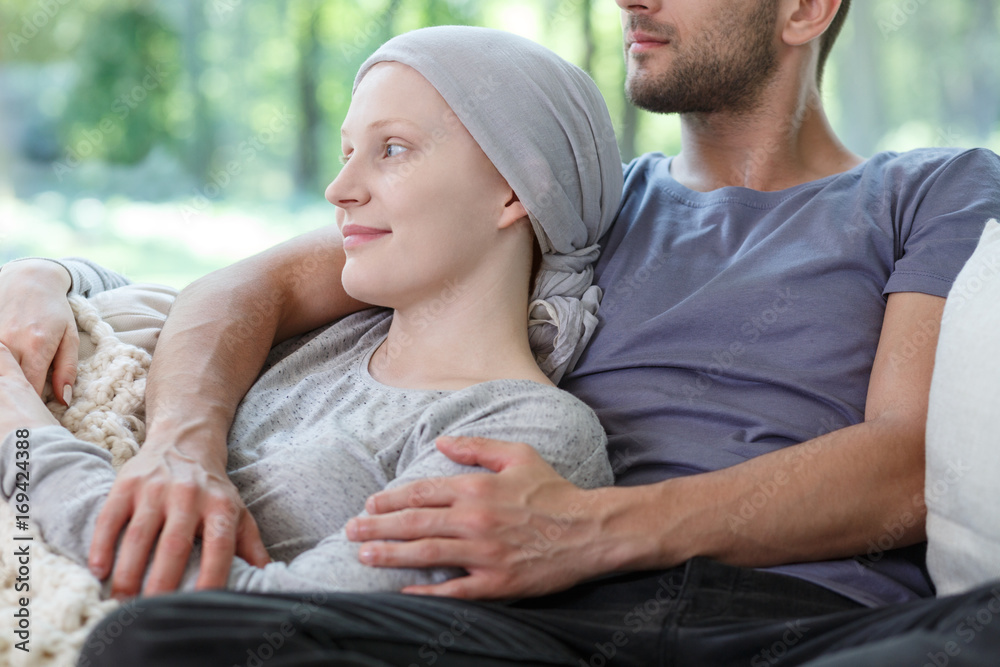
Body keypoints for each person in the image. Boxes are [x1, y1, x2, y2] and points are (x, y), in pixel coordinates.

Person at [4, 0, 1000, 664]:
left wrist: (596, 529)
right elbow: (248, 287)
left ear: (804, 8)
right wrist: (72, 299)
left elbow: (908, 468)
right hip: (547, 624)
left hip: (796, 626)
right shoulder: (579, 201)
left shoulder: (923, 190)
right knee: (166, 640)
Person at [0, 25, 622, 594]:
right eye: (347, 151)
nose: (339, 190)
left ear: (516, 189)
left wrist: (22, 438)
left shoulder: (524, 433)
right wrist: (45, 274)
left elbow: (265, 625)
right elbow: (155, 306)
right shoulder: (324, 331)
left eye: (393, 149)